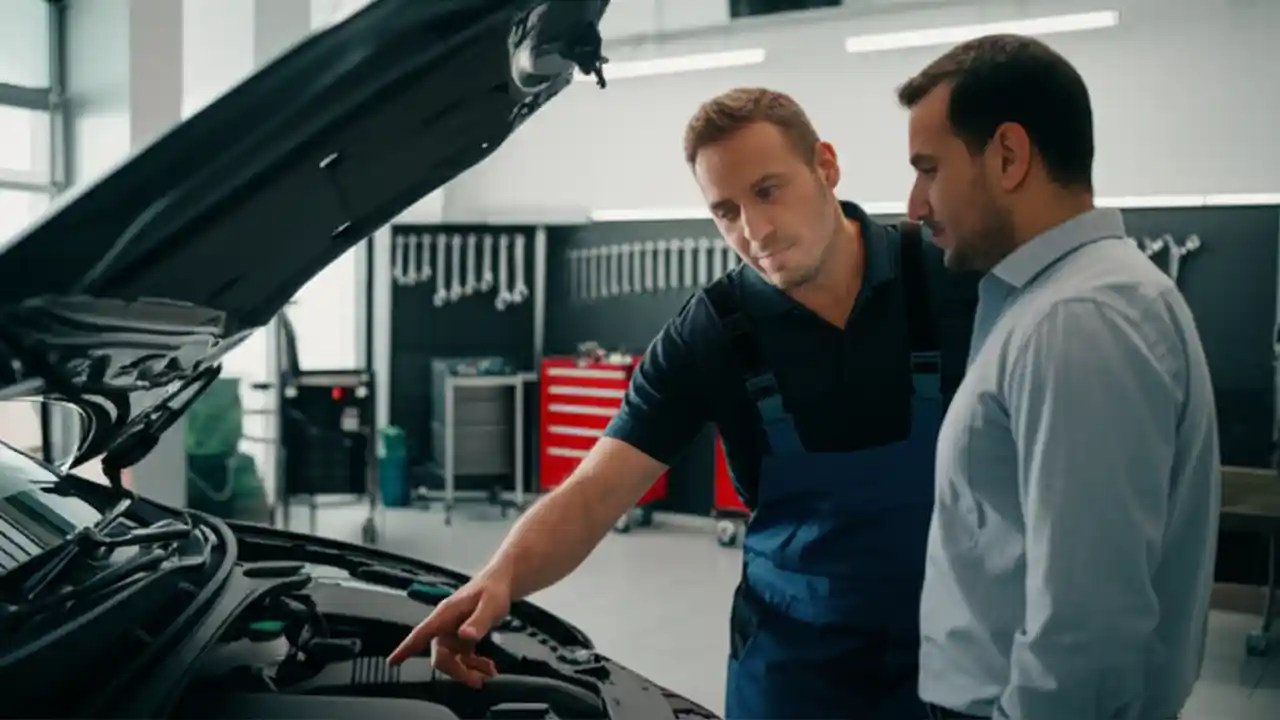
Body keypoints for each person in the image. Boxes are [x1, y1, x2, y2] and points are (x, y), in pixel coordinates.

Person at [386, 87, 978, 718]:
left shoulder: (948, 280)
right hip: (797, 669)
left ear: (825, 165)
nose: (755, 231)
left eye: (768, 190)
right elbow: (594, 492)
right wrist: (497, 579)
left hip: (952, 656)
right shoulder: (714, 333)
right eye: (726, 211)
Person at [898, 34, 1221, 720]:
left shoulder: (1078, 319)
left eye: (930, 169)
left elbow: (1087, 629)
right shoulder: (1055, 302)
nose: (915, 205)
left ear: (1009, 156)